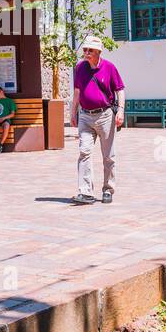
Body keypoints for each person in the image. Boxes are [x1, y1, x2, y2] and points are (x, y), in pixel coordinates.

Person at [71, 36, 125, 205]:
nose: (86, 53)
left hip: (105, 116)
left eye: (90, 50)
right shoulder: (80, 68)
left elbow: (120, 90)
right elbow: (78, 92)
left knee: (108, 156)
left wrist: (121, 111)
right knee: (84, 152)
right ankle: (85, 192)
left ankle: (108, 189)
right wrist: (73, 112)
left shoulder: (109, 67)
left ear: (98, 52)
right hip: (85, 116)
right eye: (85, 50)